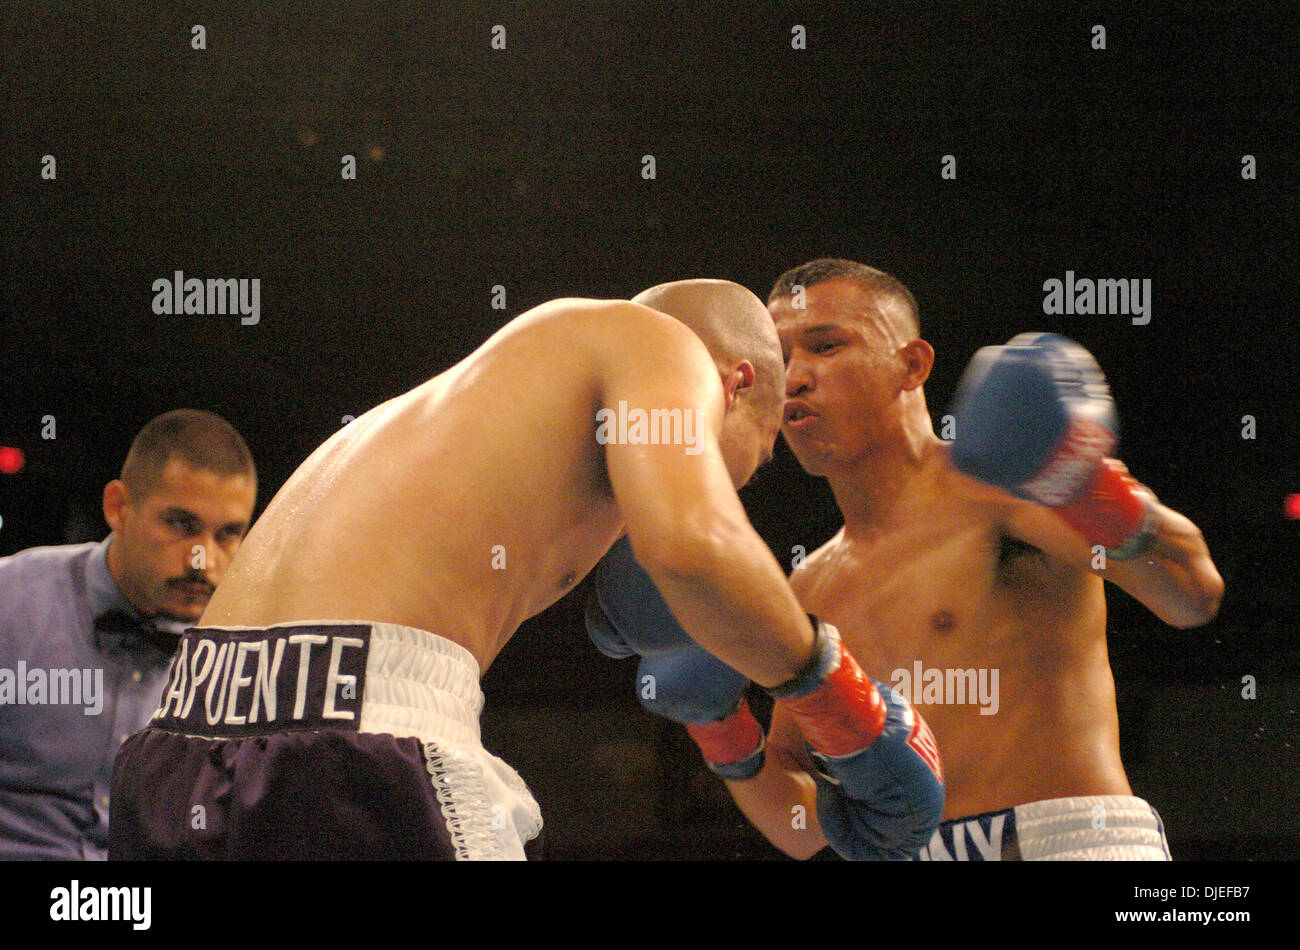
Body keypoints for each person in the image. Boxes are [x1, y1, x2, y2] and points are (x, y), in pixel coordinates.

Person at [109, 281, 940, 861]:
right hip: (356, 743)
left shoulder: (470, 395)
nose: (727, 484)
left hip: (181, 738)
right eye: (747, 463)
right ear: (738, 382)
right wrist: (838, 697)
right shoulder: (663, 346)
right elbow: (692, 546)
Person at [715, 258, 1222, 860]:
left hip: (1064, 844)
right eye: (782, 357)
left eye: (825, 346)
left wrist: (1094, 492)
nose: (795, 377)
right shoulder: (809, 586)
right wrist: (716, 728)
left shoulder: (998, 491)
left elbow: (1191, 593)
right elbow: (799, 833)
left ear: (912, 365)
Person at [0, 409, 257, 859]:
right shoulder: (10, 599)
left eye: (228, 534)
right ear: (118, 507)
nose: (203, 559)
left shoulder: (240, 658)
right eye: (181, 524)